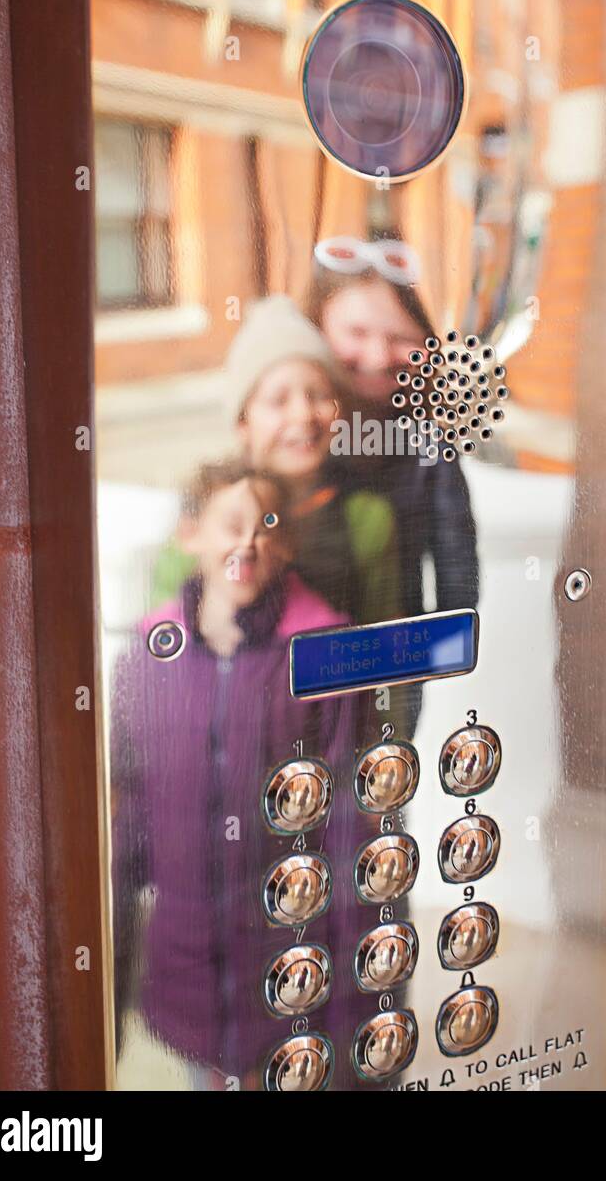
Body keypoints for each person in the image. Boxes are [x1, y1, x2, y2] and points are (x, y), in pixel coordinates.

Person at [111, 460, 375, 1088]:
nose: (249, 541)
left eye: (268, 526)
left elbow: (348, 822)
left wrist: (358, 1003)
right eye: (231, 523)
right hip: (185, 963)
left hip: (287, 957)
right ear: (192, 535)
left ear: (285, 547)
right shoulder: (149, 657)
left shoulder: (322, 653)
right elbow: (130, 819)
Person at [151, 295, 400, 624]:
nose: (303, 415)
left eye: (320, 395)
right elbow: (158, 639)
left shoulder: (367, 519)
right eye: (278, 400)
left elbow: (386, 643)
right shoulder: (207, 515)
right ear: (243, 422)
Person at [304, 236, 479, 620]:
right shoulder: (298, 430)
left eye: (402, 339)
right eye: (357, 333)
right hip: (298, 658)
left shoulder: (428, 444)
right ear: (317, 327)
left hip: (393, 650)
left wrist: (439, 644)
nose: (379, 357)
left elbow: (457, 563)